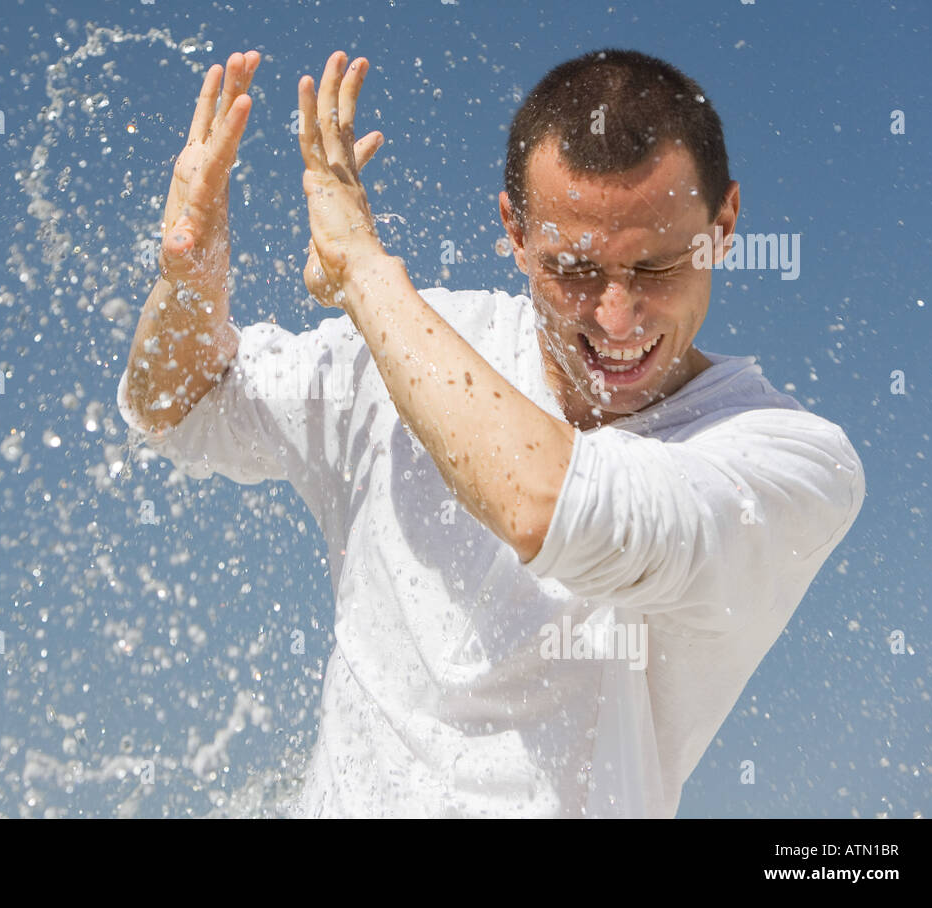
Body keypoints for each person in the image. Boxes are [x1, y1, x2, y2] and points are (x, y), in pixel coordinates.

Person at [117, 47, 865, 817]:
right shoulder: (411, 341)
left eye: (656, 267)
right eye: (574, 270)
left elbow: (552, 508)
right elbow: (179, 405)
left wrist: (364, 274)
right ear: (513, 230)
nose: (617, 317)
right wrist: (188, 280)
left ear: (724, 226)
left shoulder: (786, 459)